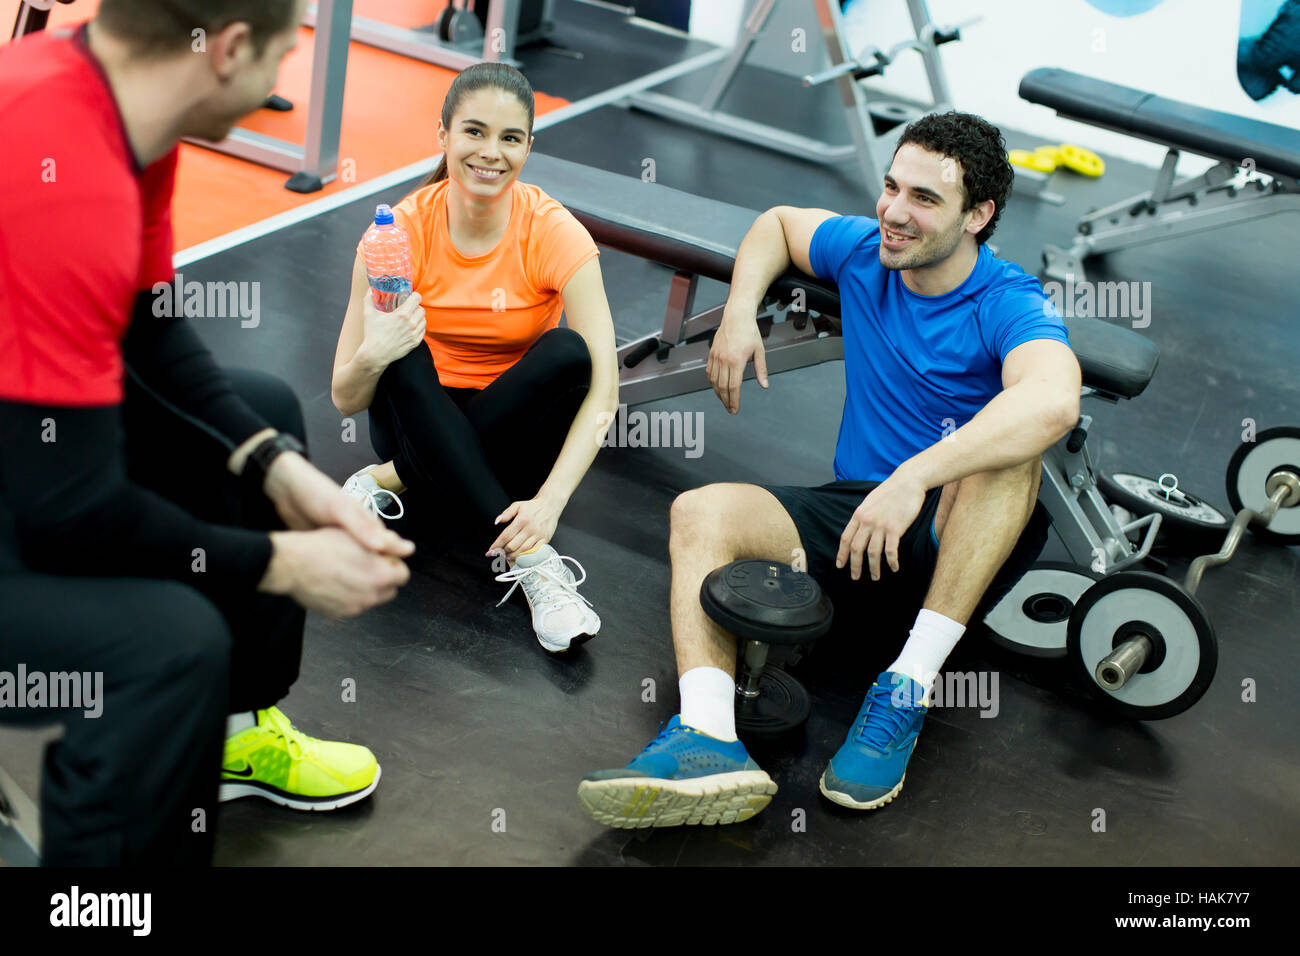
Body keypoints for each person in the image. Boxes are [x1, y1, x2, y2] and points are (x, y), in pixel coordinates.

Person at [579, 112, 1082, 827]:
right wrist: (740, 312)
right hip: (858, 522)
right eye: (890, 187)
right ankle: (707, 737)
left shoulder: (1007, 302)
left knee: (1011, 454)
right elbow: (780, 224)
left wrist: (913, 478)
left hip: (951, 538)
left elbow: (1055, 400)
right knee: (700, 511)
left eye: (924, 200)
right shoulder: (866, 252)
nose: (894, 213)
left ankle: (906, 690)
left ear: (978, 215)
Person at [0, 0, 413, 865]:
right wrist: (284, 564)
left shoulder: (120, 109)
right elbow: (71, 511)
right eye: (282, 53)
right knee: (169, 649)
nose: (281, 78)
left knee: (262, 411)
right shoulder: (63, 173)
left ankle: (230, 731)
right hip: (31, 479)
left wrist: (277, 470)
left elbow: (151, 329)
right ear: (227, 50)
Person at [332, 63, 619, 654]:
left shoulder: (552, 230)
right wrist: (376, 352)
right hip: (415, 418)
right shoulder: (398, 232)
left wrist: (551, 502)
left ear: (529, 148)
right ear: (443, 136)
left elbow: (605, 388)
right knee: (402, 349)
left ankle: (390, 481)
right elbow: (345, 394)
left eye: (510, 138)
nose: (491, 153)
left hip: (516, 440)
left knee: (570, 351)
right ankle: (537, 566)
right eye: (474, 132)